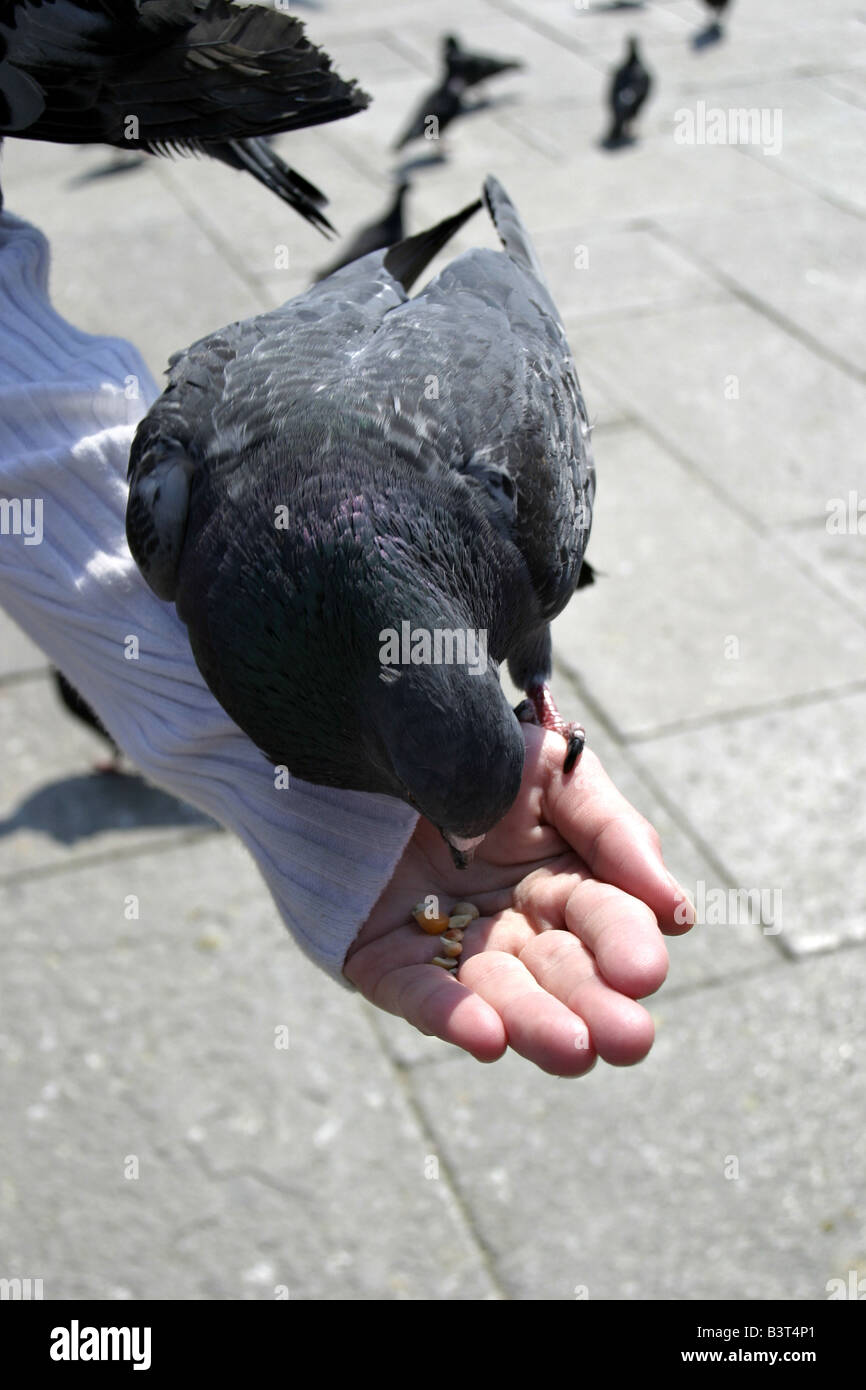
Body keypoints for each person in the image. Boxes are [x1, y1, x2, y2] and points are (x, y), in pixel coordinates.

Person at [0, 212, 693, 1076]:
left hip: (446, 365)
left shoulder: (507, 499)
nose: (462, 852)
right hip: (308, 379)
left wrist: (531, 702)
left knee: (536, 583)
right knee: (529, 580)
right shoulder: (191, 481)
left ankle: (535, 680)